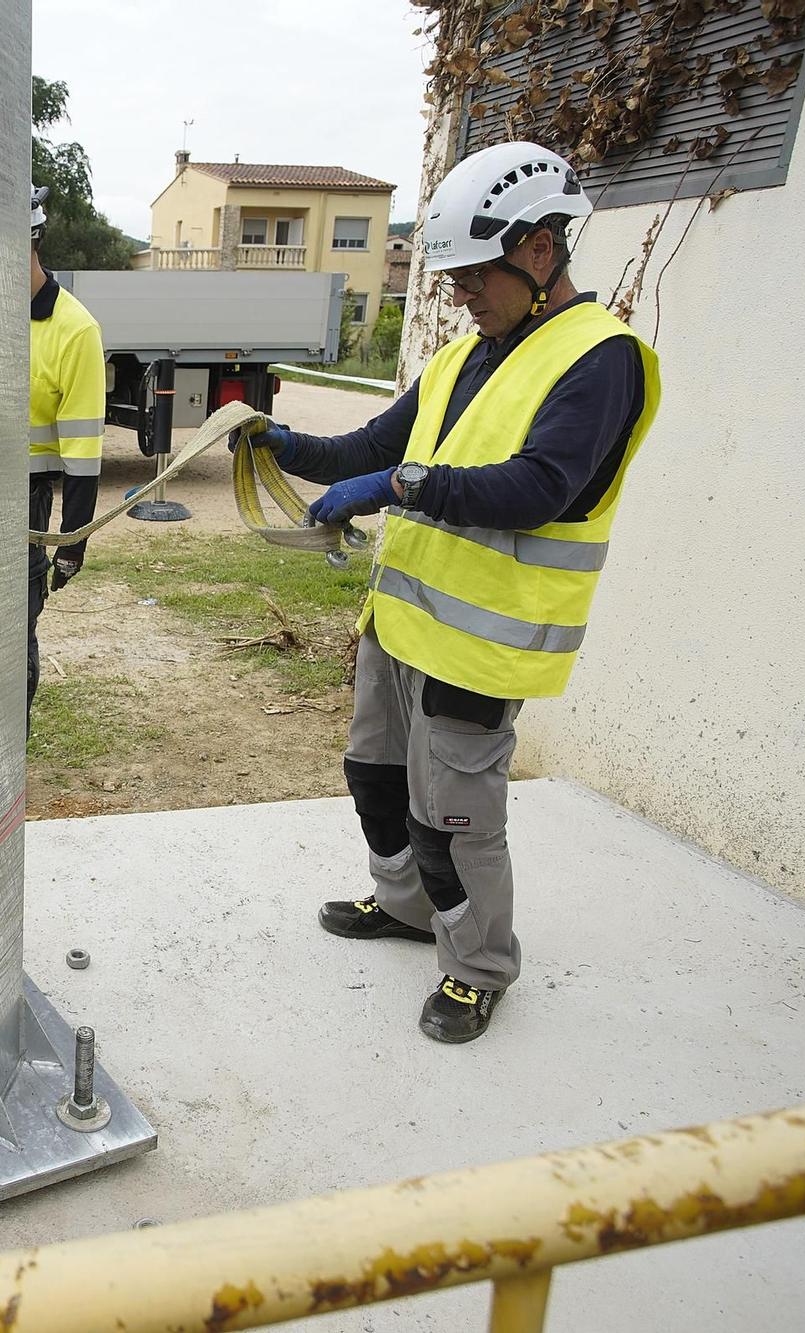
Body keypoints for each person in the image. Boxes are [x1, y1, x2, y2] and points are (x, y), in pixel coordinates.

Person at [239, 141, 660, 1043]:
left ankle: (478, 965)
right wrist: (282, 443)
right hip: (400, 623)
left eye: (476, 274)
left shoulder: (601, 358)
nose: (461, 292)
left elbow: (542, 487)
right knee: (376, 779)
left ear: (540, 250)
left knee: (455, 820)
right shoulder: (471, 355)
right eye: (456, 276)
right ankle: (403, 909)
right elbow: (373, 446)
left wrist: (402, 488)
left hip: (482, 642)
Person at [26, 185, 107, 717]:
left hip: (22, 506)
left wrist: (72, 541)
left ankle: (5, 759)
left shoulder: (74, 330)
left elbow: (82, 451)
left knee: (10, 633)